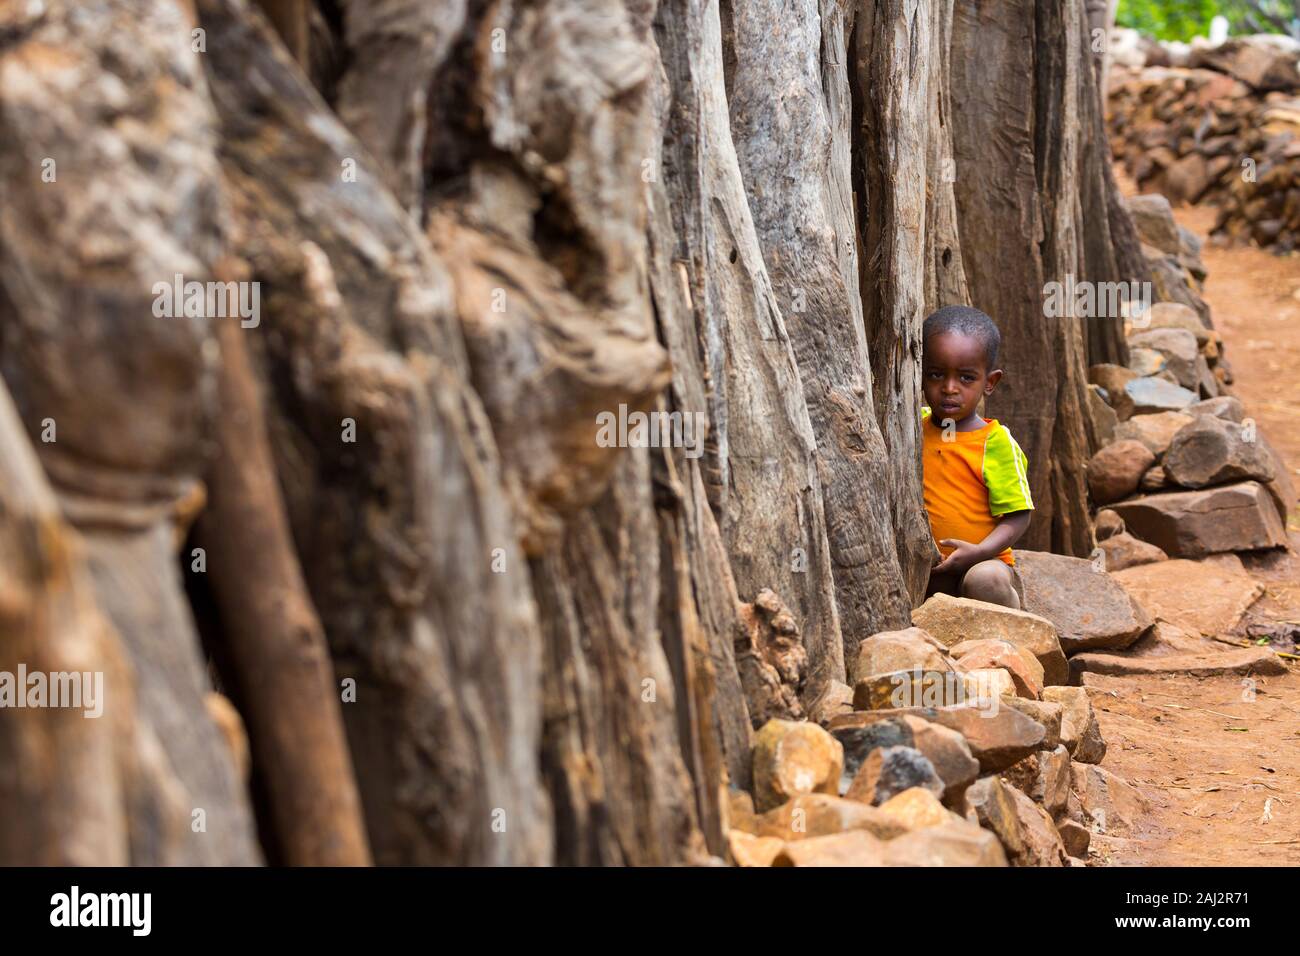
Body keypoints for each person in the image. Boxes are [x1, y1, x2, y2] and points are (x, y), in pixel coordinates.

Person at [920, 305, 1033, 609]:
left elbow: (1019, 515)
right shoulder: (909, 426)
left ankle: (1005, 642)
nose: (949, 389)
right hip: (922, 570)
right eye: (935, 374)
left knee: (986, 582)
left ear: (990, 382)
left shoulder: (995, 442)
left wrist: (979, 551)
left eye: (966, 378)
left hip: (982, 562)